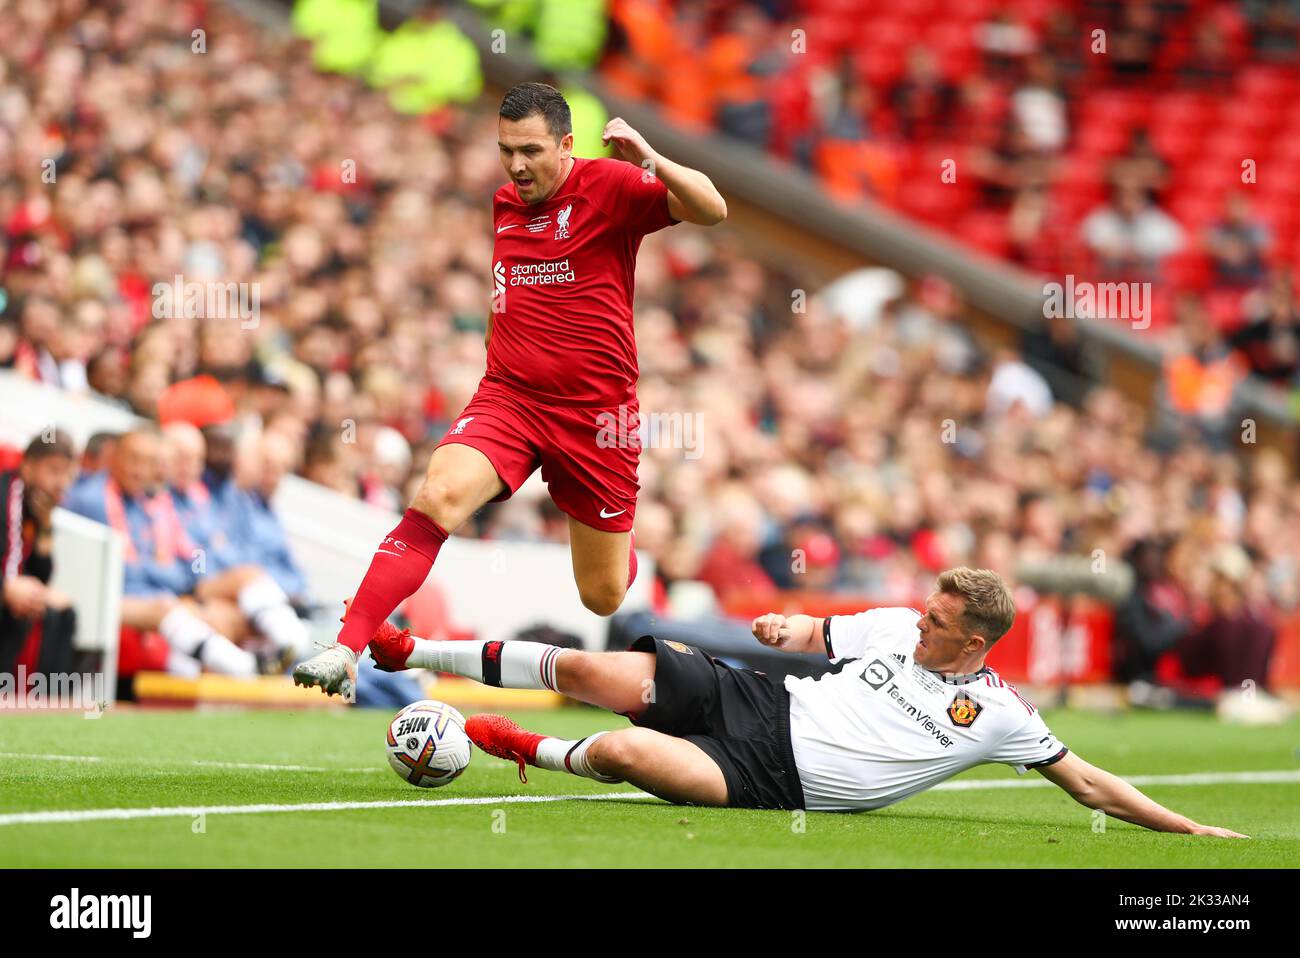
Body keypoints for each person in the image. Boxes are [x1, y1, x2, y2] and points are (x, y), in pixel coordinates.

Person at [294, 81, 727, 697]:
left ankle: (616, 539)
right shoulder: (504, 202)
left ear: (567, 144)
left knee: (602, 595)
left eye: (530, 150)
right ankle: (348, 646)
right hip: (511, 398)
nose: (517, 165)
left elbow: (713, 209)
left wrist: (651, 160)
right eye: (506, 150)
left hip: (596, 417)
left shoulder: (610, 185)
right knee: (437, 496)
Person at [364, 566, 1247, 836]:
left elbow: (1088, 783)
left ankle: (522, 748)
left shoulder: (1003, 716)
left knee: (625, 754)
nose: (919, 625)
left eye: (937, 622)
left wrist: (1192, 830)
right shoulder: (898, 622)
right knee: (592, 671)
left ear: (973, 644)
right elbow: (820, 634)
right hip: (755, 698)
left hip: (769, 775)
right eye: (925, 610)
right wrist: (790, 626)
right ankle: (414, 649)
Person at [0, 431, 79, 677]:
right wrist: (8, 588)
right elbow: (10, 563)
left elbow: (42, 573)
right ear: (28, 465)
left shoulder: (37, 507)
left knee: (62, 611)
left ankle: (49, 701)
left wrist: (45, 526)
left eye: (67, 474)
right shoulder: (11, 491)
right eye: (54, 471)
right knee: (22, 604)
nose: (62, 482)